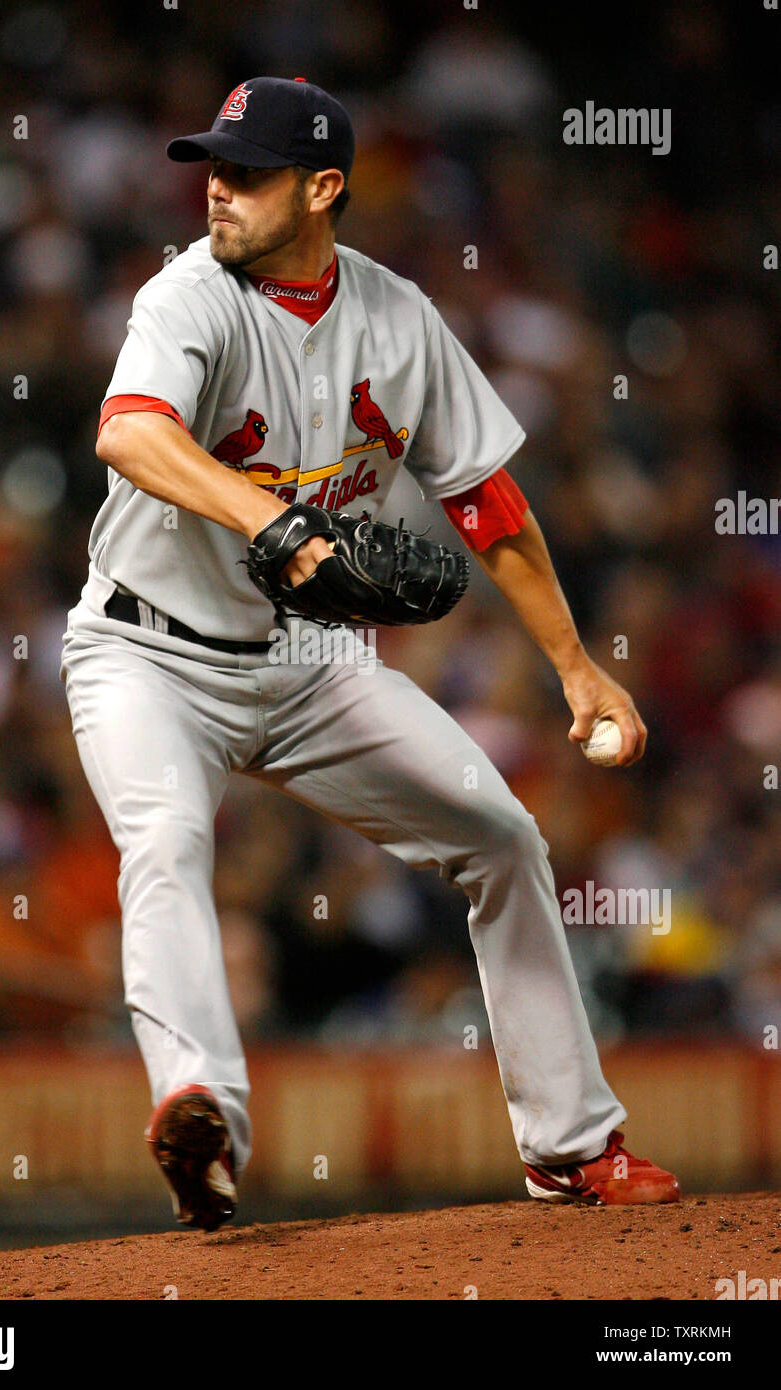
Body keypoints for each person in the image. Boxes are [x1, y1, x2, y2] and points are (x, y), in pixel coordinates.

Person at [60, 76, 679, 1231]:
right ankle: (203, 1113)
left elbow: (488, 502)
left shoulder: (398, 321)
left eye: (247, 172)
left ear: (324, 188)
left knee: (500, 834)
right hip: (147, 652)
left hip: (309, 660)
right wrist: (271, 521)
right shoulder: (188, 296)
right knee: (169, 840)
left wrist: (576, 665)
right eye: (214, 165)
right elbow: (129, 430)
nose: (219, 189)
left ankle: (572, 1149)